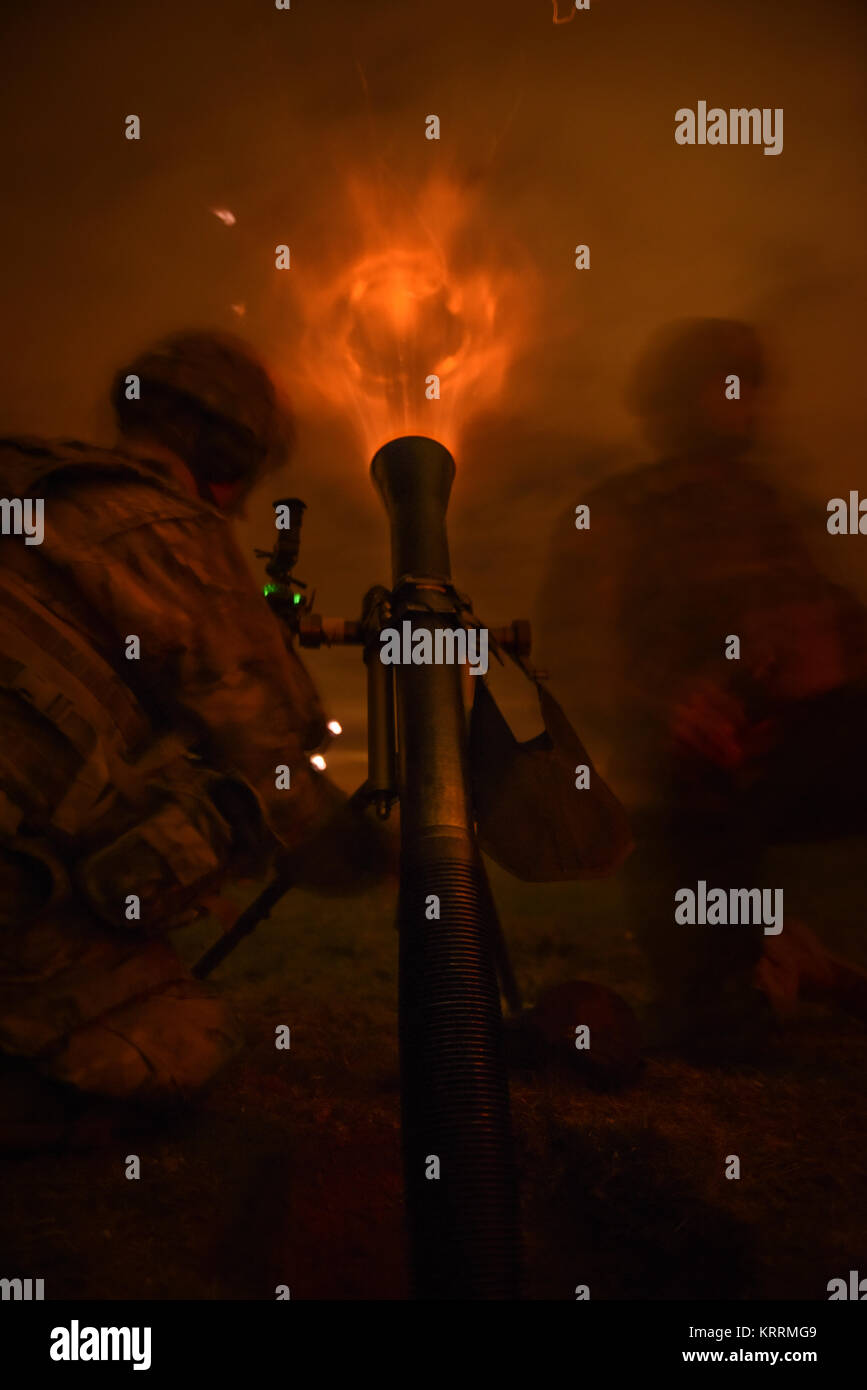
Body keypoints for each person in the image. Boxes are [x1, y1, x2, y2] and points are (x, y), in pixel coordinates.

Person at [0, 330, 388, 1137]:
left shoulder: (23, 484)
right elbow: (276, 770)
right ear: (231, 461)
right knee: (185, 1038)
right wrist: (392, 858)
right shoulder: (169, 530)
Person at [535, 318, 867, 1059]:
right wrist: (665, 706)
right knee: (718, 1030)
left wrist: (829, 651)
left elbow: (830, 619)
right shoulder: (619, 512)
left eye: (747, 386)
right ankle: (739, 974)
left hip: (788, 744)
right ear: (672, 402)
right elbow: (567, 649)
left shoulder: (767, 508)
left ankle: (778, 955)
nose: (741, 403)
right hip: (678, 774)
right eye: (721, 385)